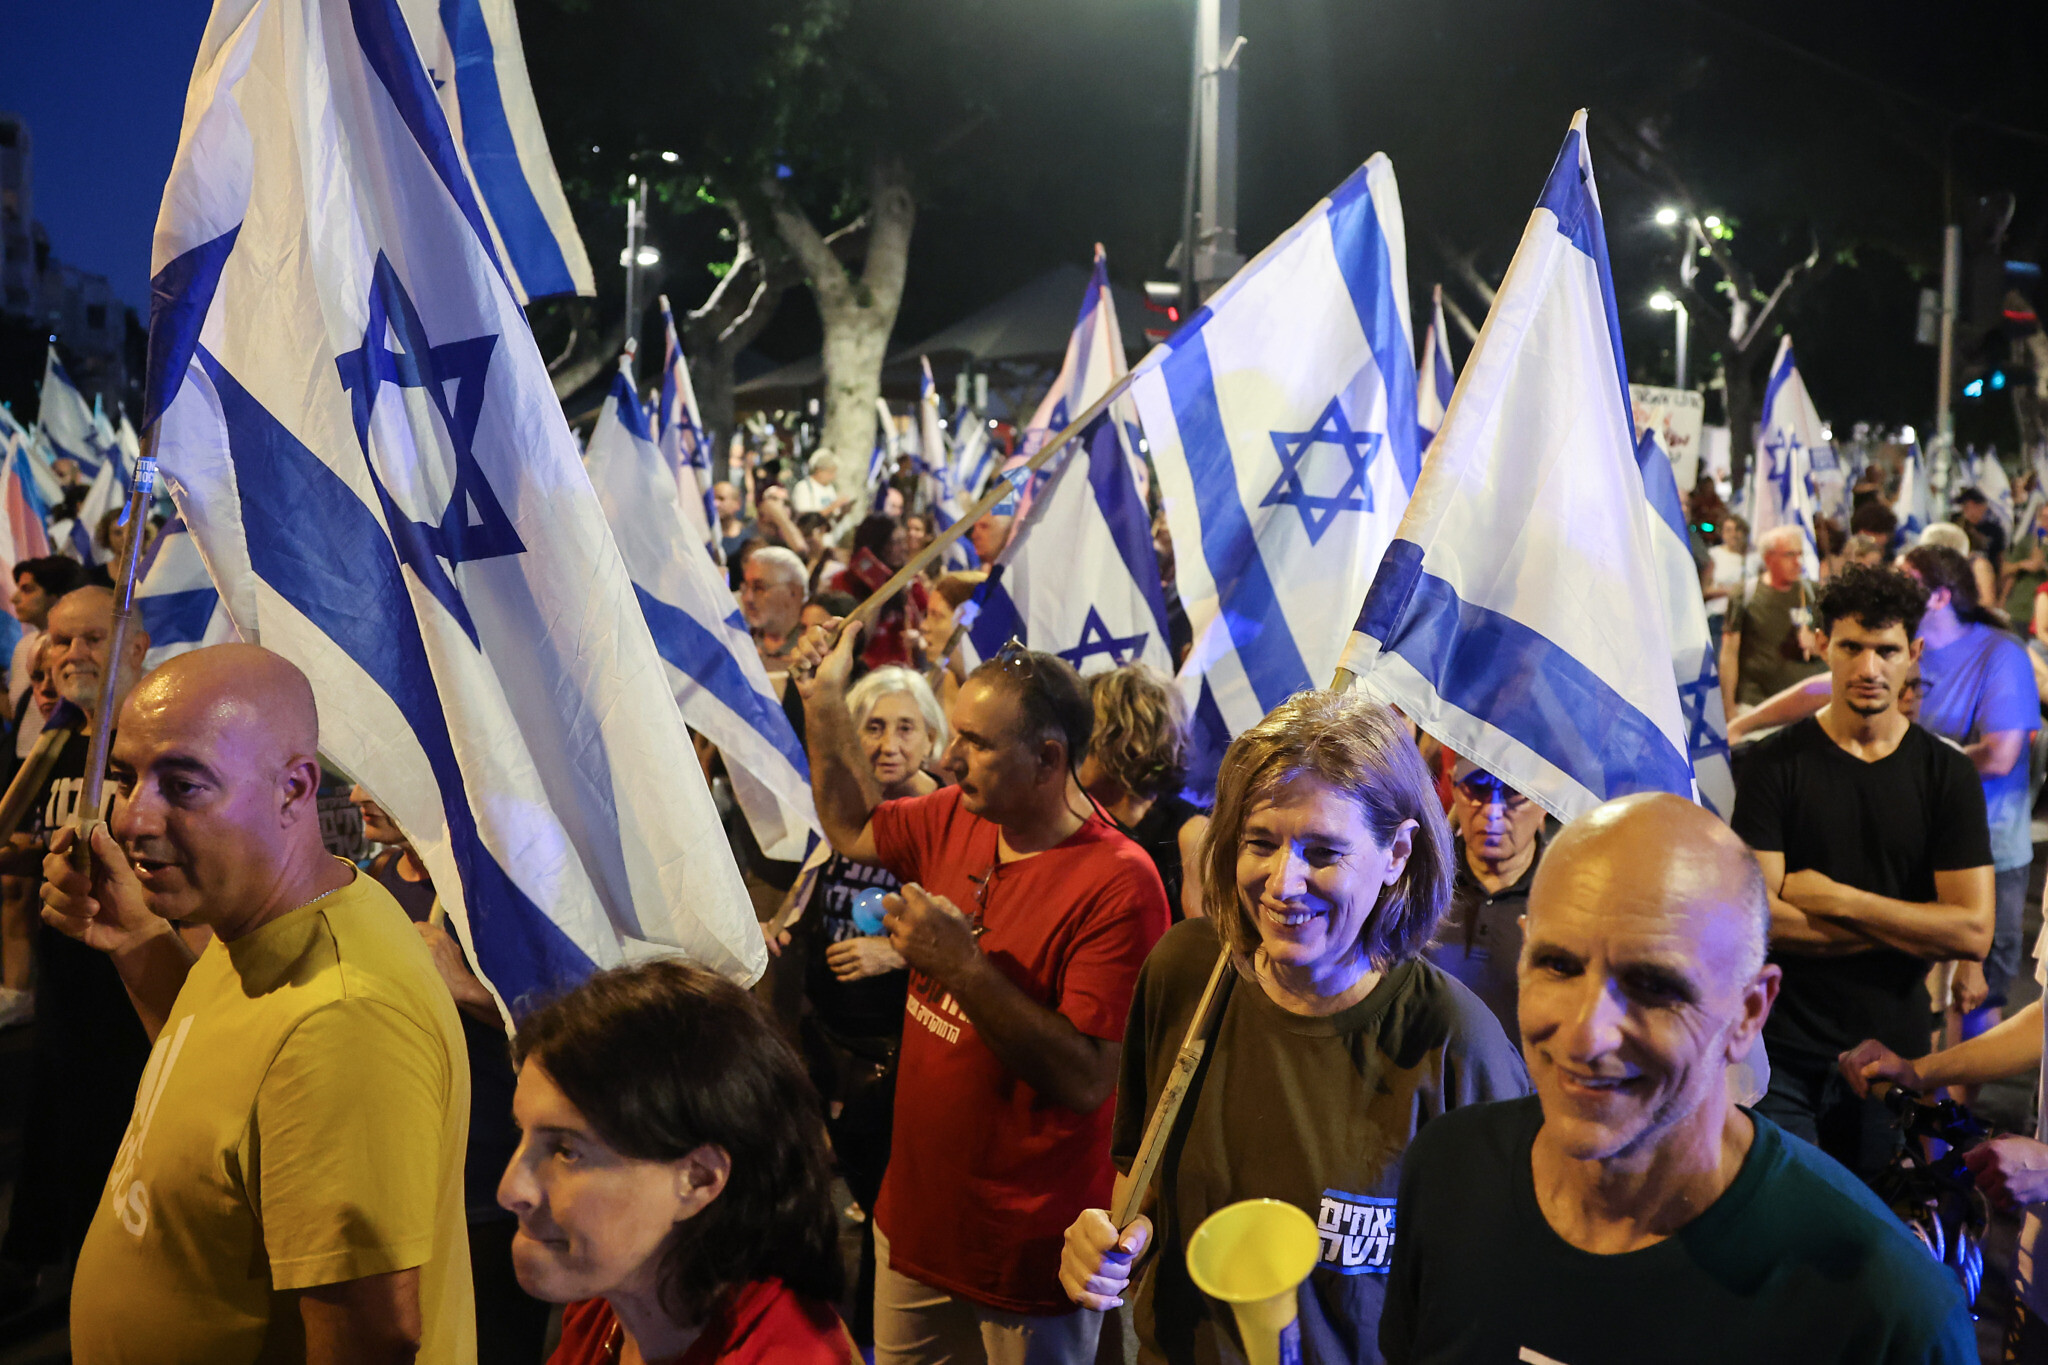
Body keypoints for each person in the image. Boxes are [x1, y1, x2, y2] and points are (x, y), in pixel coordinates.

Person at [1377, 792, 1975, 1364]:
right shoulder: (1448, 1175)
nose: (1587, 1035)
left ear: (1748, 1012)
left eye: (1654, 987)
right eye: (1558, 965)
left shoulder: (1888, 1314)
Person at [1061, 692, 1528, 1365]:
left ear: (1397, 851)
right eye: (1262, 842)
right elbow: (1143, 1184)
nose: (1284, 882)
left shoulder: (1457, 1044)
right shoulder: (1186, 974)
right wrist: (1107, 1247)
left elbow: (1494, 1303)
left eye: (1322, 851)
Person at [42, 643, 475, 1363]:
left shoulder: (344, 1019)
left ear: (294, 788)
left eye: (182, 785)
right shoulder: (268, 918)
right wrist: (139, 943)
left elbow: (370, 1337)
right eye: (127, 778)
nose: (131, 819)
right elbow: (227, 1080)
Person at [790, 622, 1171, 1364]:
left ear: (1048, 759)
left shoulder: (1120, 883)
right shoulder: (955, 813)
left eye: (977, 743)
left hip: (1027, 1254)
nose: (945, 756)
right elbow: (850, 825)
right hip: (915, 1221)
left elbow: (1087, 1077)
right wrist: (823, 701)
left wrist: (962, 967)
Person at [1730, 565, 1993, 1177]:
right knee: (1788, 1230)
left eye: (1886, 650)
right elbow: (1759, 918)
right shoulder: (1774, 763)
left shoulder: (1947, 777)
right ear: (1823, 645)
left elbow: (1974, 933)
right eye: (1851, 647)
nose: (1869, 668)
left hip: (1890, 1055)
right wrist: (1915, 924)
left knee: (1867, 1236)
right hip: (1781, 1052)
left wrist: (1835, 898)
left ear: (1914, 654)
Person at [502, 960, 858, 1364]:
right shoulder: (607, 1310)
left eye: (567, 1151)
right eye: (522, 1134)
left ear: (698, 1179)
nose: (510, 1190)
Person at [351, 786, 551, 1364]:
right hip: (399, 1176)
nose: (360, 790)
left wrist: (465, 987)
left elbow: (575, 1021)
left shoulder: (496, 890)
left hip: (489, 1180)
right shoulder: (371, 880)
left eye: (378, 773)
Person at [0, 589, 154, 1320]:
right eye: (60, 641)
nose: (71, 655)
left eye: (93, 636)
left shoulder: (146, 747)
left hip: (135, 984)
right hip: (66, 980)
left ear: (136, 647)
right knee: (56, 1122)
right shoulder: (59, 744)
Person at [1898, 544, 2038, 1042]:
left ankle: (1954, 1115)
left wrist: (1910, 761)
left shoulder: (2000, 653)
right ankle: (1916, 1102)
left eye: (1905, 576)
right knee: (1910, 989)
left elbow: (2000, 755)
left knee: (1974, 995)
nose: (1893, 582)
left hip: (1990, 851)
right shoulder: (1902, 647)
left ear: (1938, 595)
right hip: (1916, 845)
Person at [1076, 664, 1209, 922]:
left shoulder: (1190, 835)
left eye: (1084, 734)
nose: (1070, 745)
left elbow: (1202, 947)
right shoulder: (1073, 820)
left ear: (1128, 742)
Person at [1425, 759, 1547, 1038]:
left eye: (1513, 795)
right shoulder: (1420, 879)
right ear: (1453, 785)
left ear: (1544, 803)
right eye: (1477, 790)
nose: (1492, 814)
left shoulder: (1566, 896)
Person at [1720, 525, 1823, 713]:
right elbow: (1729, 652)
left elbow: (1835, 645)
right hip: (1757, 703)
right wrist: (1728, 707)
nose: (1798, 562)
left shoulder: (1813, 593)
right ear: (1769, 558)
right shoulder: (1746, 594)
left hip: (1807, 704)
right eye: (1790, 555)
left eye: (1800, 554)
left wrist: (1815, 643)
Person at [739, 545, 810, 672]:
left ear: (793, 592)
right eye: (746, 588)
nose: (747, 598)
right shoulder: (740, 641)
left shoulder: (811, 648)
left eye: (759, 588)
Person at [714, 480, 757, 575]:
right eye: (713, 498)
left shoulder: (750, 536)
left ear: (737, 503)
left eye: (721, 499)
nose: (715, 504)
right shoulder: (705, 537)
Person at [791, 453, 851, 519]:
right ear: (819, 470)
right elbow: (805, 516)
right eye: (830, 472)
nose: (833, 477)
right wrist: (834, 506)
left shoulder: (829, 487)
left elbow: (835, 513)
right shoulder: (803, 487)